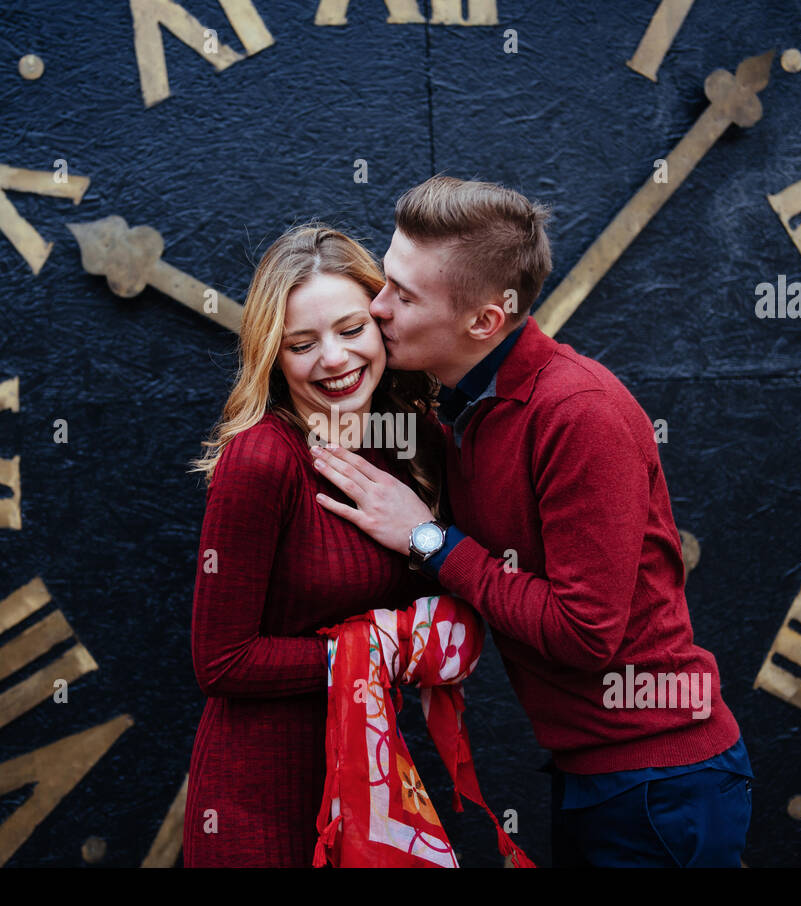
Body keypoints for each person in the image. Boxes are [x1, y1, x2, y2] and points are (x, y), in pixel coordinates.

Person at [311, 176, 754, 867]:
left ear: (485, 322)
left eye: (403, 294)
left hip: (657, 788)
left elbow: (584, 633)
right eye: (384, 281)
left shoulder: (580, 414)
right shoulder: (467, 404)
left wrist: (429, 539)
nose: (378, 307)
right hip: (599, 775)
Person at [183, 223, 444, 867]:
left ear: (382, 320)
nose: (333, 359)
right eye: (303, 343)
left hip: (368, 790)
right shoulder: (262, 459)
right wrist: (371, 653)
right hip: (256, 804)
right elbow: (220, 662)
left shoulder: (412, 441)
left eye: (351, 330)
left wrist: (428, 545)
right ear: (274, 354)